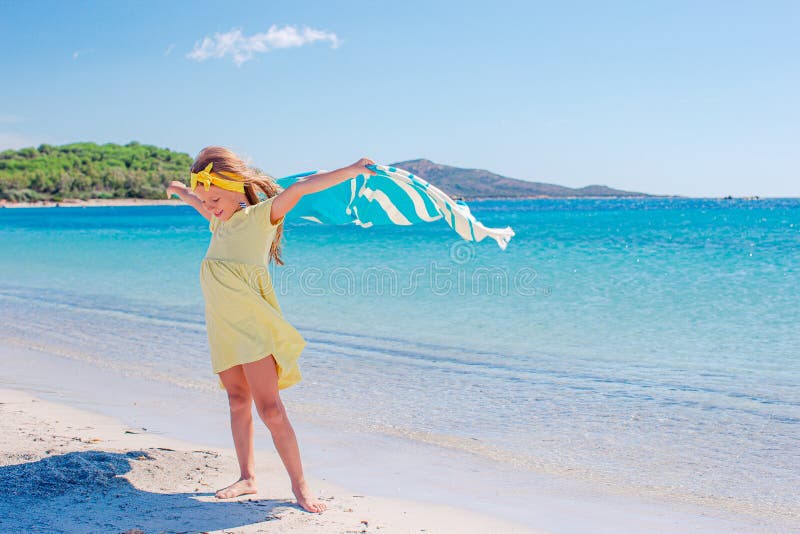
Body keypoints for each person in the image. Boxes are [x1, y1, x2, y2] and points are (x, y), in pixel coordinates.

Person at [166, 146, 376, 513]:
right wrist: (180, 190)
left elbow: (301, 189)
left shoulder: (261, 217)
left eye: (214, 197)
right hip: (222, 326)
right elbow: (194, 202)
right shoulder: (219, 219)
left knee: (271, 409)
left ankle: (300, 487)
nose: (210, 205)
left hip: (252, 327)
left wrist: (352, 170)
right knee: (236, 401)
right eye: (205, 199)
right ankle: (247, 477)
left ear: (234, 186)